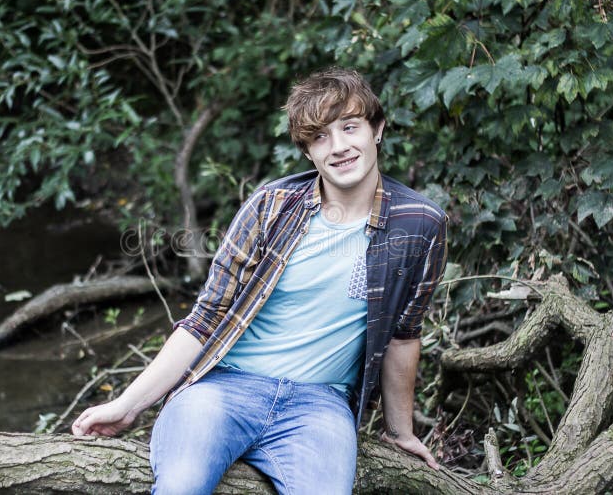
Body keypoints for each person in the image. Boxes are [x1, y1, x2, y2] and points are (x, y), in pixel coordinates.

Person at [72, 68, 448, 494]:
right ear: (308, 152)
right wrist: (128, 405)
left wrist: (401, 432)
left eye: (349, 127)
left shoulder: (419, 224)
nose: (339, 147)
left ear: (376, 129)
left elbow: (403, 335)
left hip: (319, 407)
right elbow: (205, 319)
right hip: (222, 390)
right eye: (320, 137)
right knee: (182, 486)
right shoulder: (271, 207)